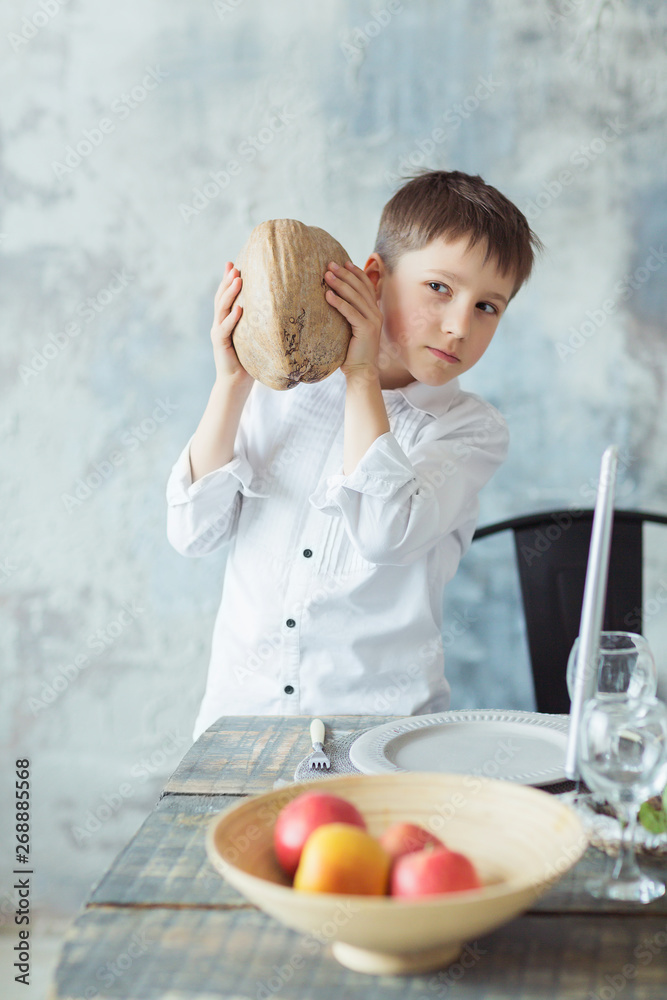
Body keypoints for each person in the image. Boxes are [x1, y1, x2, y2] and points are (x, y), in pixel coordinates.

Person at [166, 169, 543, 742]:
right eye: (439, 288)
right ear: (373, 278)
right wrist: (231, 385)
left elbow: (384, 533)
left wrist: (362, 374)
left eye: (488, 306)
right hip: (237, 728)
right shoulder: (282, 387)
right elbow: (191, 531)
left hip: (382, 742)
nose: (459, 325)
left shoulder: (470, 430)